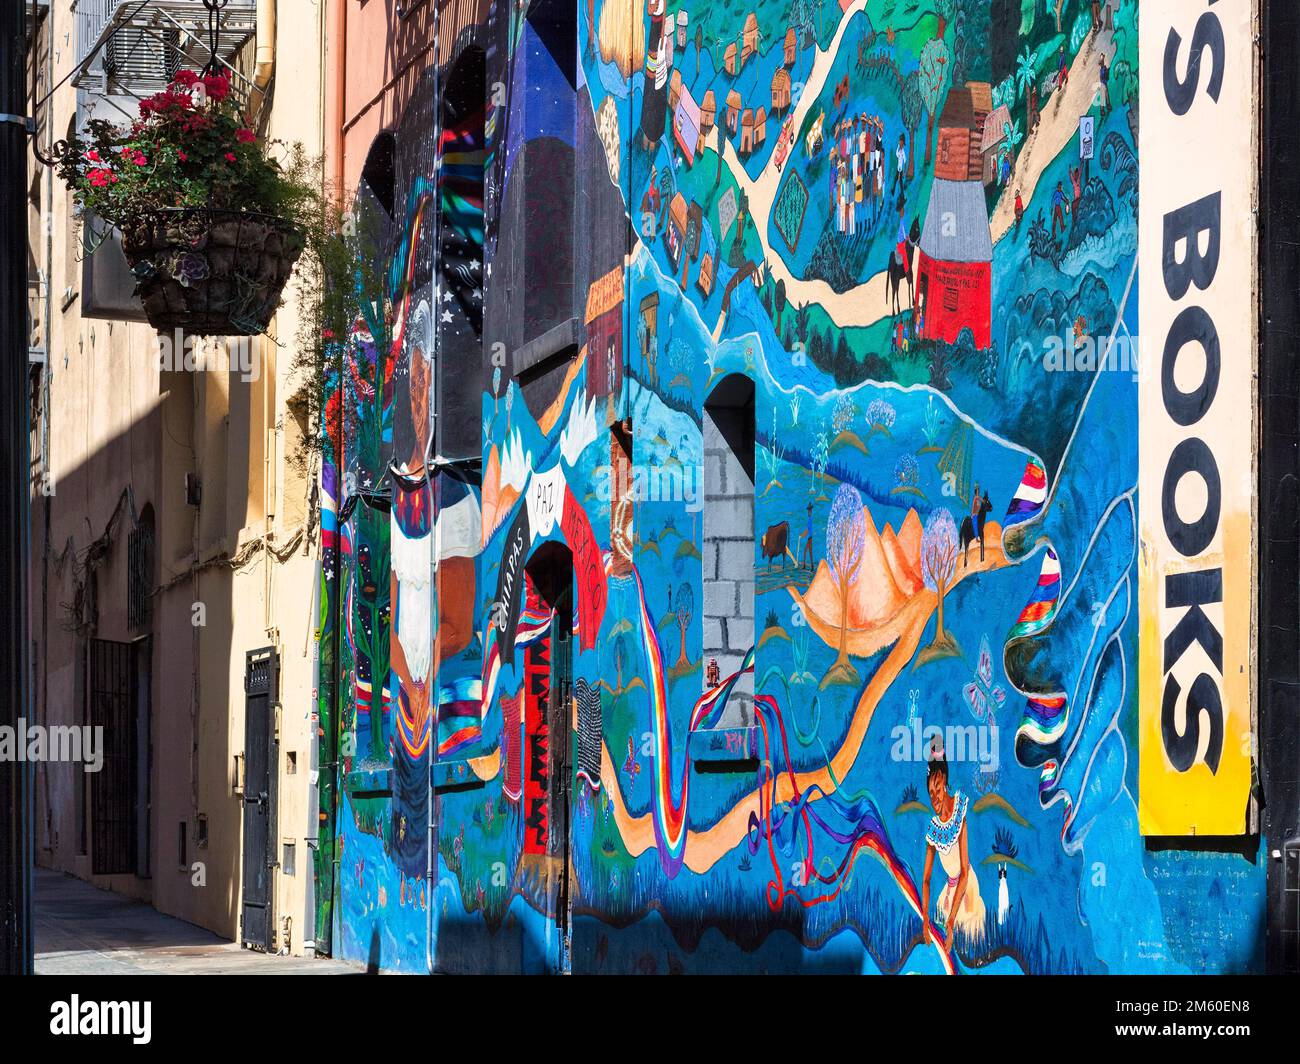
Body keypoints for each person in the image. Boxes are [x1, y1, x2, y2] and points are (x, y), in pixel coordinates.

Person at [921, 740, 986, 950]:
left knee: (971, 940)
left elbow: (964, 873)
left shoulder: (960, 813)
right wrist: (925, 921)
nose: (935, 798)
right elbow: (926, 879)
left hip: (966, 890)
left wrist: (950, 922)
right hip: (949, 891)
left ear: (945, 781)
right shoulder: (933, 830)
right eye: (931, 793)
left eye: (937, 789)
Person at [801, 502, 815, 570]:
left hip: (810, 538)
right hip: (809, 538)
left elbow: (808, 530)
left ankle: (806, 566)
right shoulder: (810, 519)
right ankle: (810, 566)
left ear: (811, 511)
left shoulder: (810, 520)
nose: (808, 512)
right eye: (808, 511)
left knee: (807, 551)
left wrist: (802, 535)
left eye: (809, 511)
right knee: (808, 551)